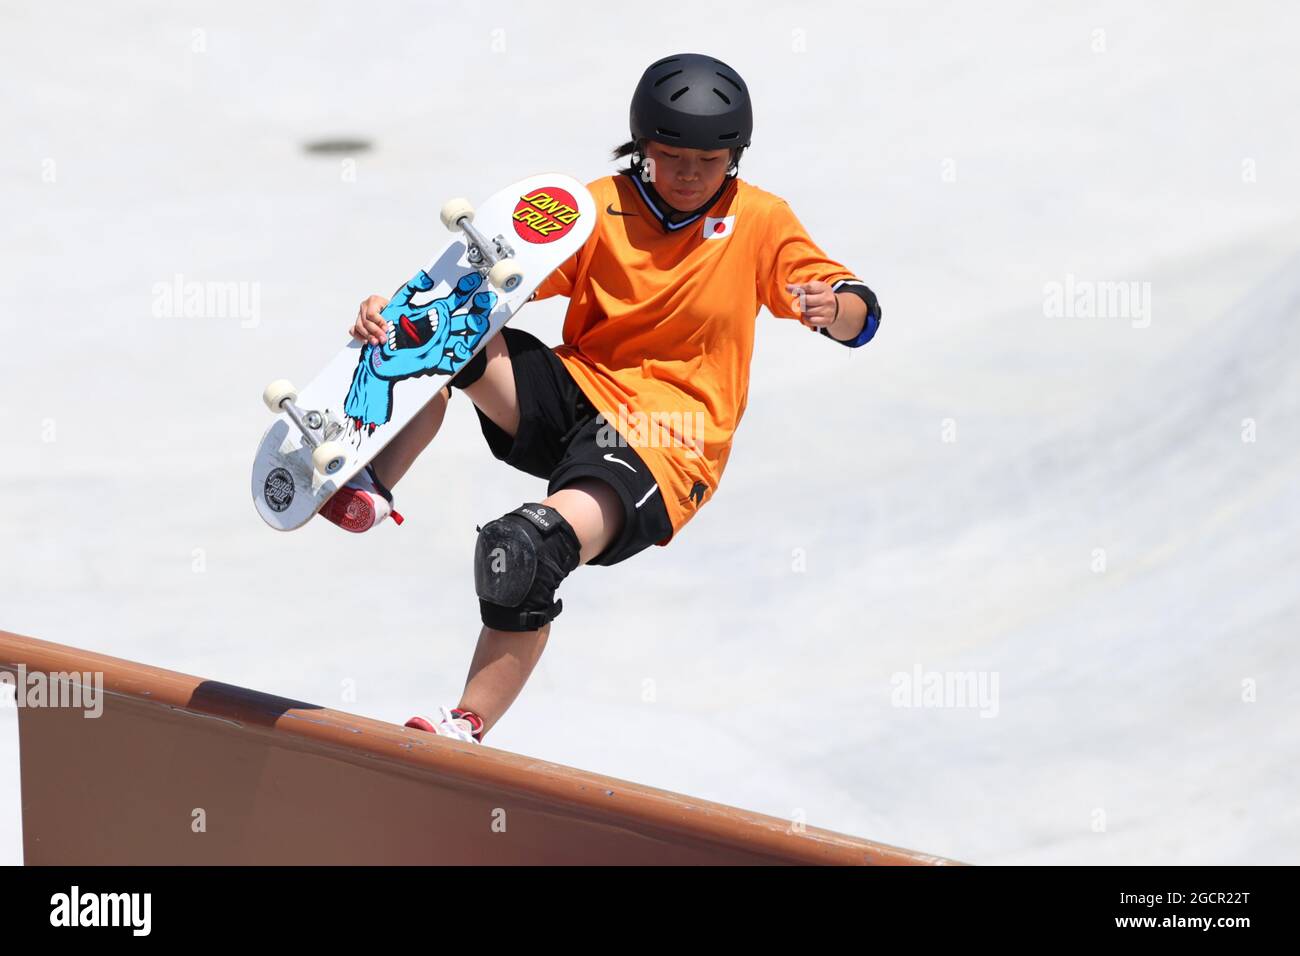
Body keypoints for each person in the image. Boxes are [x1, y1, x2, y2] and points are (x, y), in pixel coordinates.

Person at [326, 53, 881, 745]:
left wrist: (835, 309)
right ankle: (374, 484)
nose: (687, 174)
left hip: (666, 443)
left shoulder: (760, 221)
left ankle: (463, 725)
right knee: (442, 326)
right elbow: (486, 283)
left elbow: (860, 311)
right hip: (577, 396)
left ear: (734, 158)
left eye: (709, 161)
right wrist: (393, 309)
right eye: (670, 156)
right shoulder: (596, 208)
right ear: (642, 147)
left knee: (525, 546)